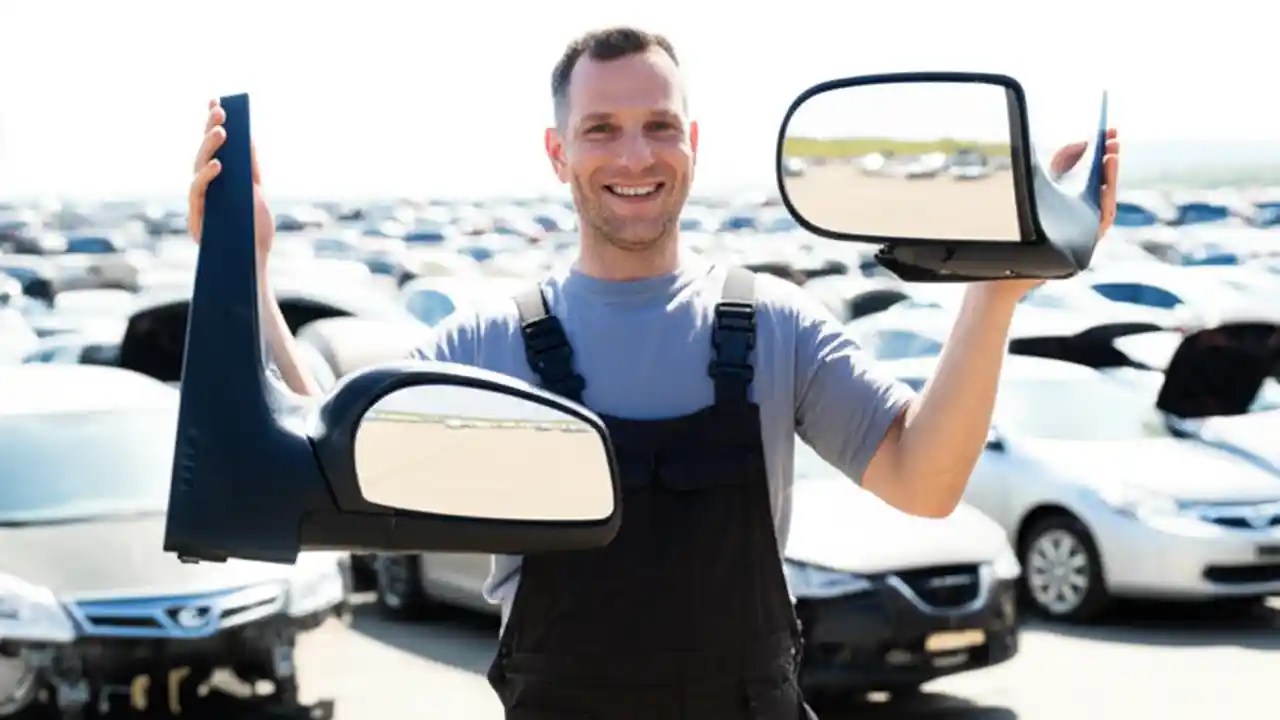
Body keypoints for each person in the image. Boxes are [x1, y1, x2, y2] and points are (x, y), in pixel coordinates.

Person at [187, 26, 1120, 720]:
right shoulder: (488, 344)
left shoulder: (775, 325)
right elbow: (332, 452)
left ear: (692, 143)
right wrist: (247, 275)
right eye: (601, 129)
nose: (633, 156)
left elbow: (925, 480)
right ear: (559, 153)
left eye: (657, 126)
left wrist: (995, 296)